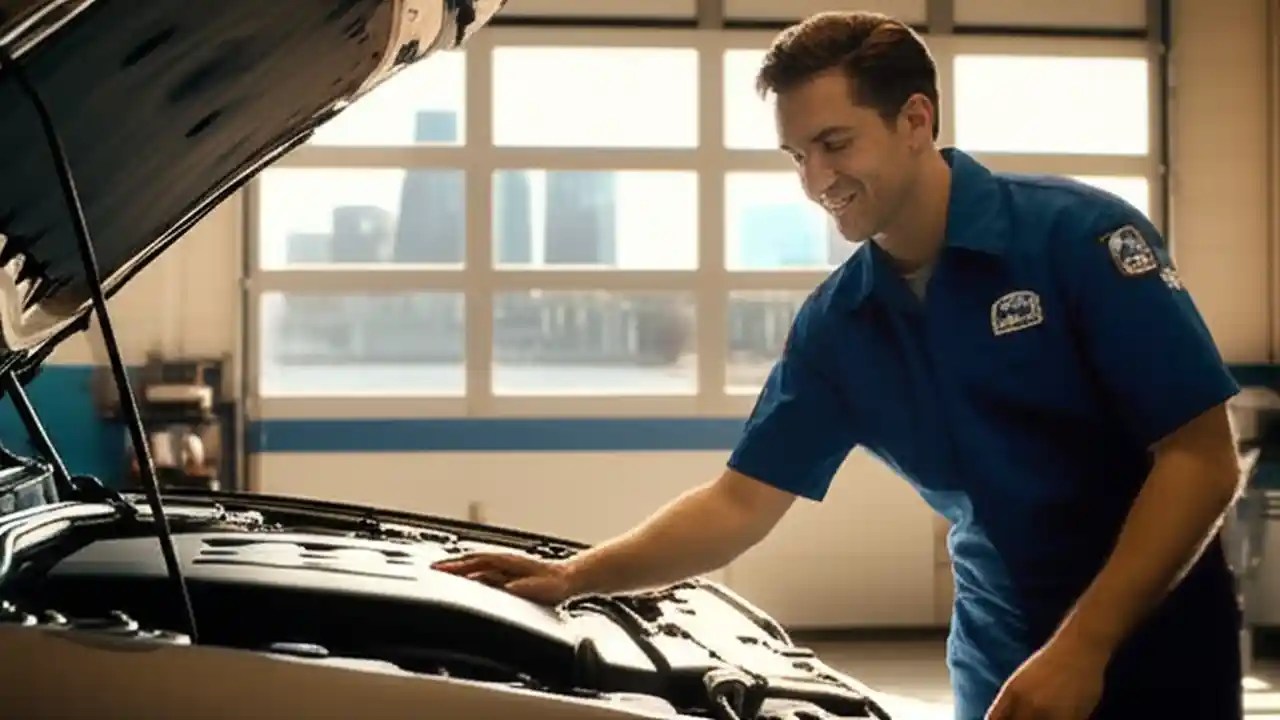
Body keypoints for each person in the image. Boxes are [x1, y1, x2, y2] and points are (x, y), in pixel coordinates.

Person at [433, 11, 1246, 719]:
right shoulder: (839, 325)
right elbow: (738, 505)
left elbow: (1201, 459)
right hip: (1002, 661)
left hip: (1155, 649)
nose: (816, 181)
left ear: (916, 118)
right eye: (796, 155)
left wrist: (1086, 647)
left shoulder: (1080, 239)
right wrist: (579, 574)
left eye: (834, 144)